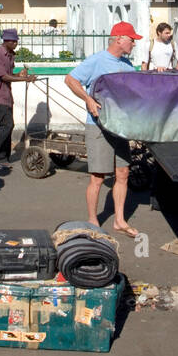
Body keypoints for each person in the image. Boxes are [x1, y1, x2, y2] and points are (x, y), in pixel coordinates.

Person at [64, 21, 143, 238]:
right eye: (132, 39)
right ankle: (93, 220)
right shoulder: (97, 61)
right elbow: (70, 79)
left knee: (123, 173)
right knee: (98, 177)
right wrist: (88, 99)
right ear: (119, 39)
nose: (134, 43)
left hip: (121, 128)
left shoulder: (127, 65)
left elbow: (137, 90)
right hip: (98, 126)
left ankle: (119, 220)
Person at [0, 28, 36, 168]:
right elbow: (3, 76)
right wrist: (25, 78)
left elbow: (9, 73)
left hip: (6, 94)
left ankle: (4, 157)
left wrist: (19, 74)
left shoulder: (10, 55)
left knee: (6, 125)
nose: (15, 43)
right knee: (7, 125)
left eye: (16, 41)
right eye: (13, 41)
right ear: (5, 41)